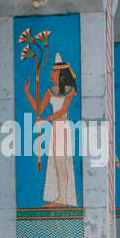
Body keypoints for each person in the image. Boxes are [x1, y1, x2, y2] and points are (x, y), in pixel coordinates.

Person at [24, 53, 78, 206]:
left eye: (54, 72)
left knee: (62, 162)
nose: (51, 75)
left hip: (63, 127)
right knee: (56, 162)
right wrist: (28, 92)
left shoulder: (70, 89)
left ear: (60, 73)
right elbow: (39, 108)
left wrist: (44, 119)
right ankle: (60, 197)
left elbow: (62, 111)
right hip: (55, 128)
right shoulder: (50, 90)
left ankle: (62, 199)